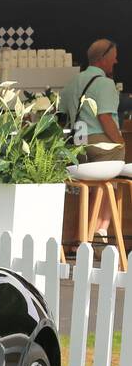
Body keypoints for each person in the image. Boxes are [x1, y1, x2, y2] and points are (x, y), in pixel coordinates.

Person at [60, 39, 126, 239]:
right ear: (102, 58)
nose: (116, 62)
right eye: (113, 58)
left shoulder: (71, 83)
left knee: (82, 189)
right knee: (110, 176)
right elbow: (105, 117)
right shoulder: (105, 84)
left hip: (76, 146)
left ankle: (74, 237)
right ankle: (98, 233)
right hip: (99, 143)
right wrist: (120, 142)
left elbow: (61, 118)